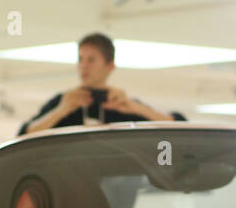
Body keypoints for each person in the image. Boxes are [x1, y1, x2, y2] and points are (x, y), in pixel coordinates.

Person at [19, 32, 183, 135]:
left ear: (110, 66)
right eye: (80, 59)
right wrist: (61, 111)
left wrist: (135, 107)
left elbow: (179, 127)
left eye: (91, 60)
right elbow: (24, 135)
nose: (84, 66)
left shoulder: (122, 105)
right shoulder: (64, 102)